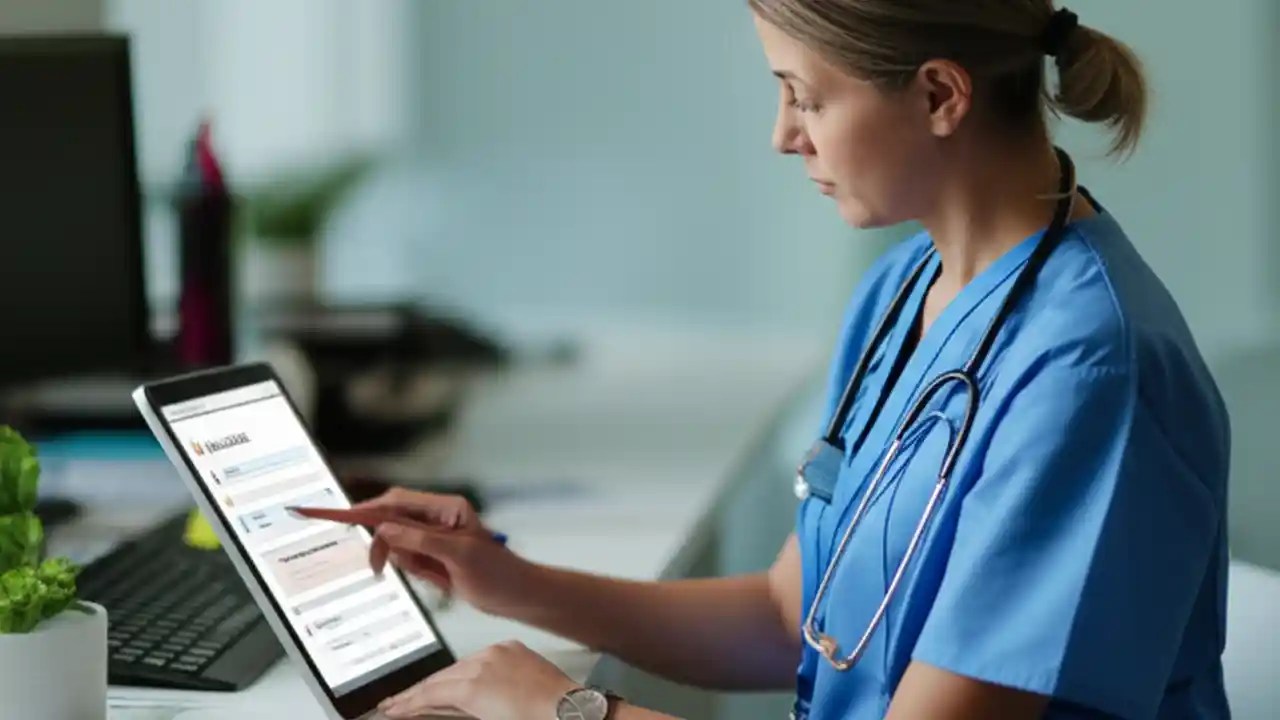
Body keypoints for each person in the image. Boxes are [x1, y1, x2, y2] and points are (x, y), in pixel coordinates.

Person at [300, 2, 1232, 718]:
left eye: (808, 96)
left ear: (941, 96)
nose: (784, 135)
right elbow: (794, 618)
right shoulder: (908, 285)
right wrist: (512, 585)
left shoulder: (1088, 372)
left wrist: (563, 704)